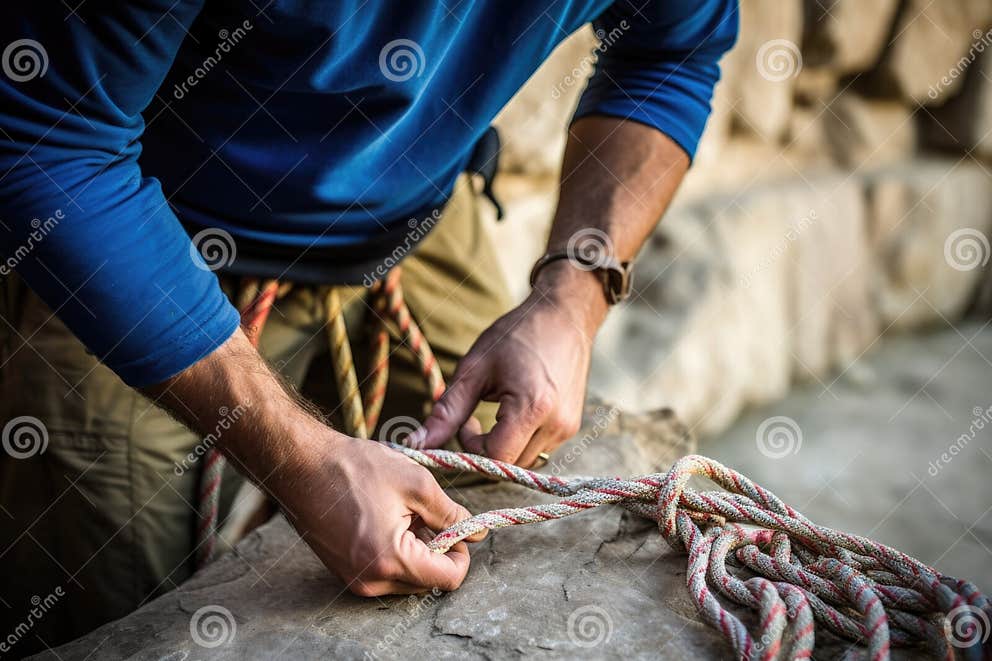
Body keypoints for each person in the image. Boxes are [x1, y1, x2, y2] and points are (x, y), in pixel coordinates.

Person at [0, 0, 738, 653]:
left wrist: (573, 297)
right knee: (108, 598)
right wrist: (300, 457)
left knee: (523, 502)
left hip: (416, 211)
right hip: (146, 235)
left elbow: (672, 50)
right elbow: (51, 141)